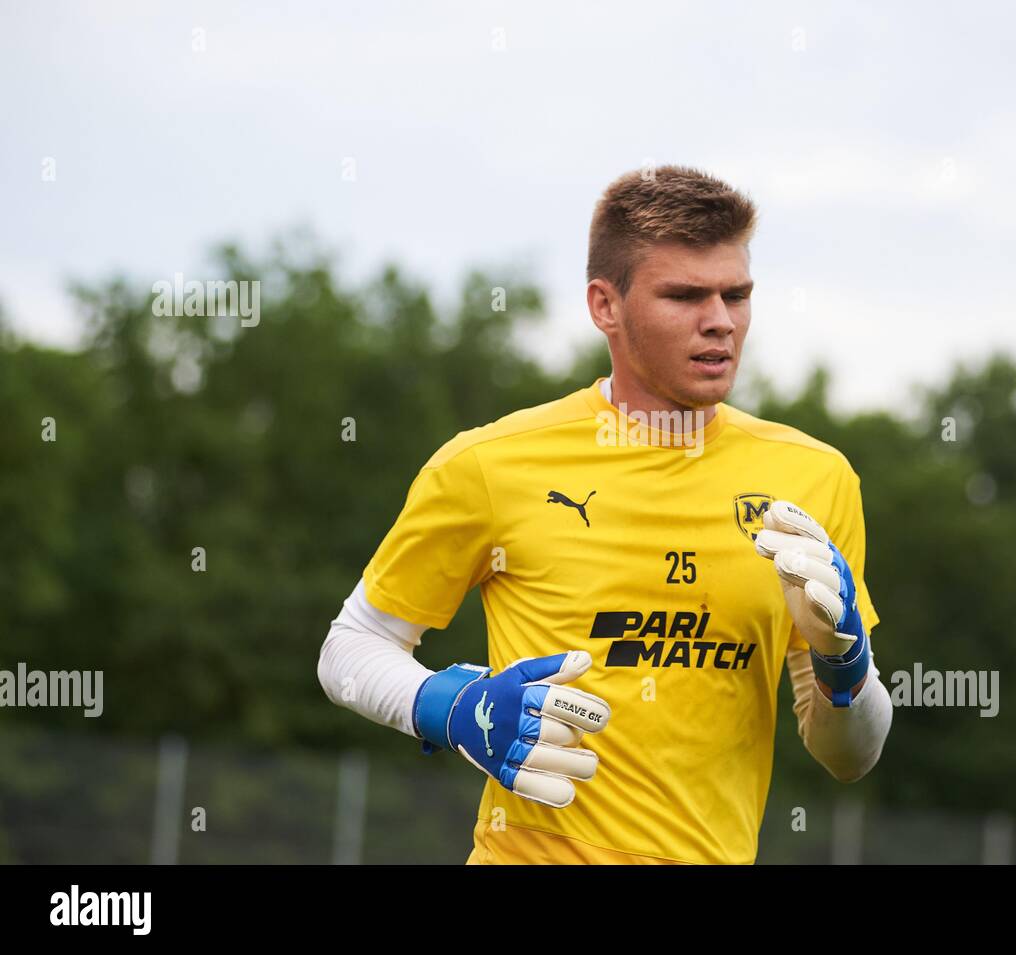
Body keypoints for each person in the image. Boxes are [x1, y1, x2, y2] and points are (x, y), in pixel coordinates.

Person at [317, 164, 893, 865]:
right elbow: (349, 646)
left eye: (736, 294)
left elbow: (850, 757)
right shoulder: (491, 463)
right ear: (605, 305)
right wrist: (452, 706)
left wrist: (844, 663)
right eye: (684, 295)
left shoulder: (815, 479)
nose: (720, 320)